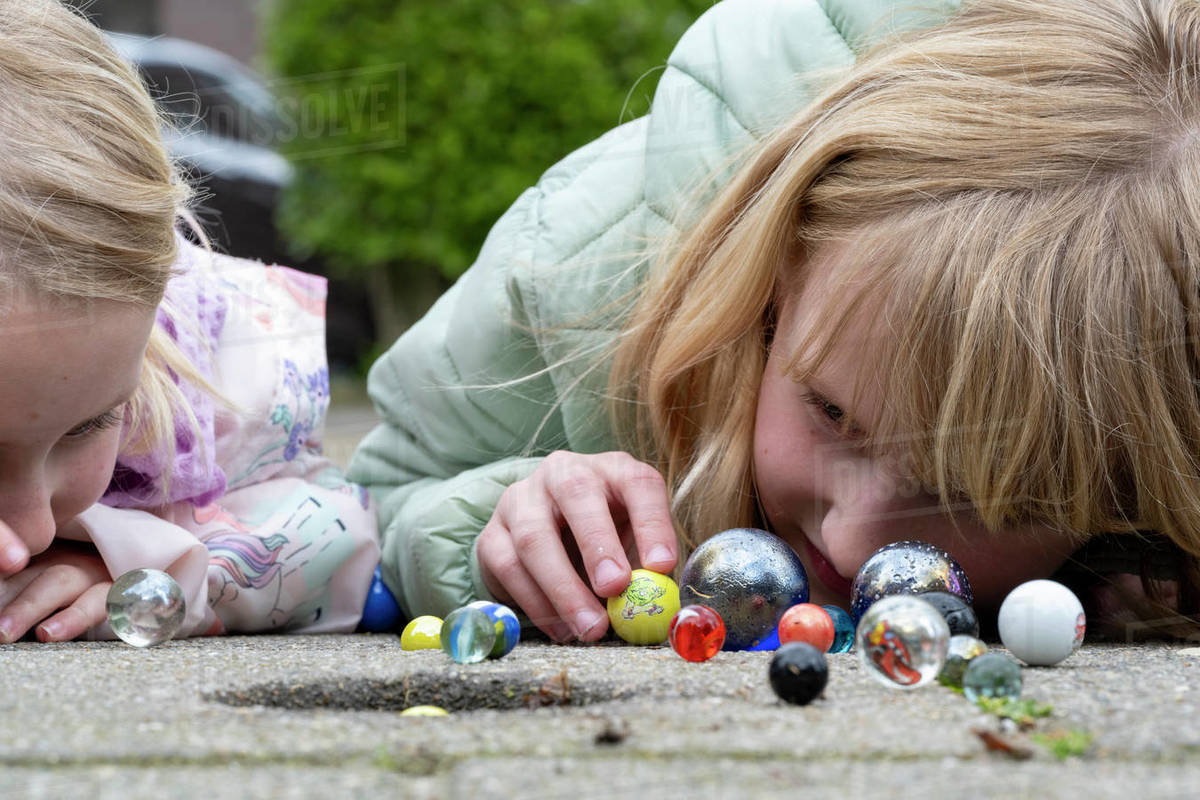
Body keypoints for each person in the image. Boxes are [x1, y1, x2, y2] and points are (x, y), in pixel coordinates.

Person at [349, 0, 1200, 643]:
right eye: (832, 414)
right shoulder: (568, 269)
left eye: (973, 491)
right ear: (774, 279)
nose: (853, 534)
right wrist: (490, 533)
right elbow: (374, 502)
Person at [0, 0, 379, 643]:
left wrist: (137, 562)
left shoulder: (207, 375)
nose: (34, 528)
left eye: (90, 425)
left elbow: (343, 536)